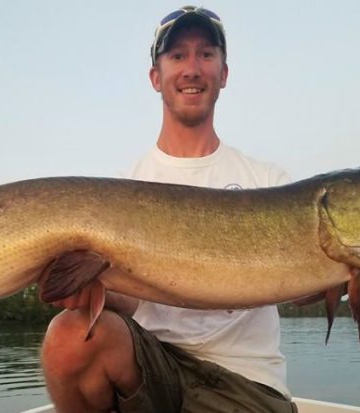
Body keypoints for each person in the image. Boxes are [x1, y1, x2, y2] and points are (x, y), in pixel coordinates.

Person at [41, 6, 295, 413]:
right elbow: (126, 301)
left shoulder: (268, 183)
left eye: (206, 54)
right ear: (156, 78)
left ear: (223, 74)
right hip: (151, 368)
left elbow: (310, 286)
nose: (192, 68)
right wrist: (85, 289)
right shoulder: (123, 188)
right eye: (177, 56)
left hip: (245, 380)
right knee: (69, 336)